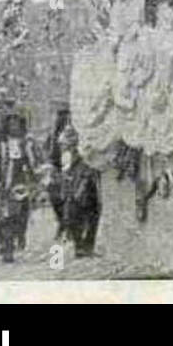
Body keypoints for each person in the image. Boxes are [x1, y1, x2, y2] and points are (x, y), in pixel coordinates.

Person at [0, 112, 36, 263]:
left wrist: (33, 180)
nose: (14, 127)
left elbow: (33, 163)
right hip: (2, 184)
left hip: (20, 184)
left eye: (17, 124)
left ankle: (18, 237)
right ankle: (7, 248)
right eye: (11, 124)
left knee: (20, 217)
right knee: (4, 217)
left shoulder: (26, 143)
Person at [57, 126, 101, 259]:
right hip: (74, 187)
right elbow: (65, 172)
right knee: (74, 217)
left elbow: (92, 164)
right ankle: (79, 246)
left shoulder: (87, 145)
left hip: (89, 184)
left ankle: (88, 245)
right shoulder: (67, 155)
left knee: (92, 215)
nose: (65, 146)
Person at [44, 107, 73, 239]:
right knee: (54, 195)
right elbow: (50, 154)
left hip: (72, 169)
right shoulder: (53, 137)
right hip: (58, 169)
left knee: (71, 197)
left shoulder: (72, 134)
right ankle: (62, 221)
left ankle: (69, 225)